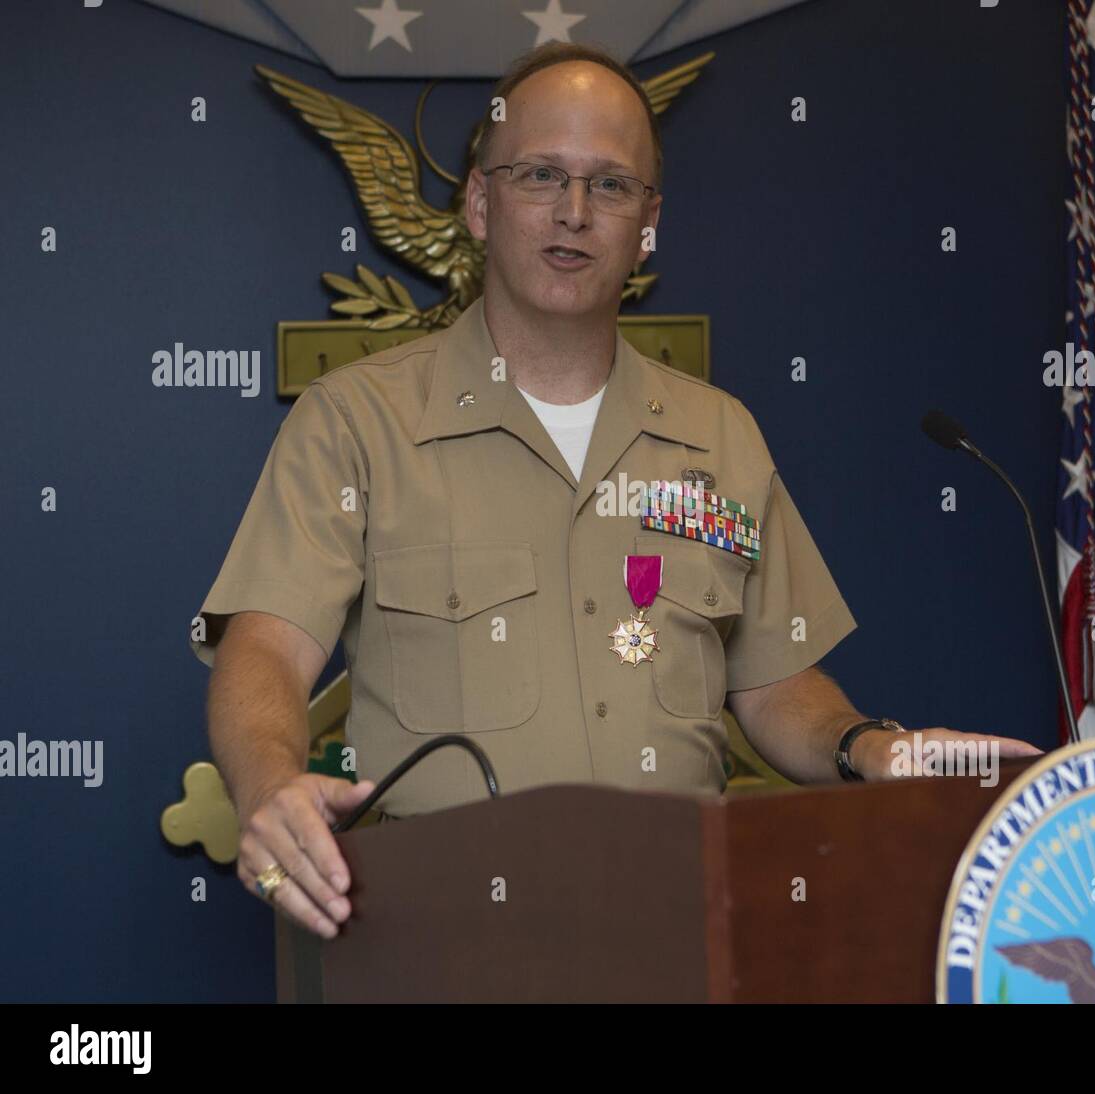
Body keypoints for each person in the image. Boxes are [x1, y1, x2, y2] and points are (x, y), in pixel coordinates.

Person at [190, 42, 1041, 941]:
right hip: (438, 941)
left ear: (648, 222)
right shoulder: (356, 424)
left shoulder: (721, 437)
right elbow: (266, 653)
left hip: (679, 934)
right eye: (539, 175)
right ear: (479, 203)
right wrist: (271, 786)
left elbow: (777, 686)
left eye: (610, 186)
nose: (572, 213)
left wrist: (869, 746)